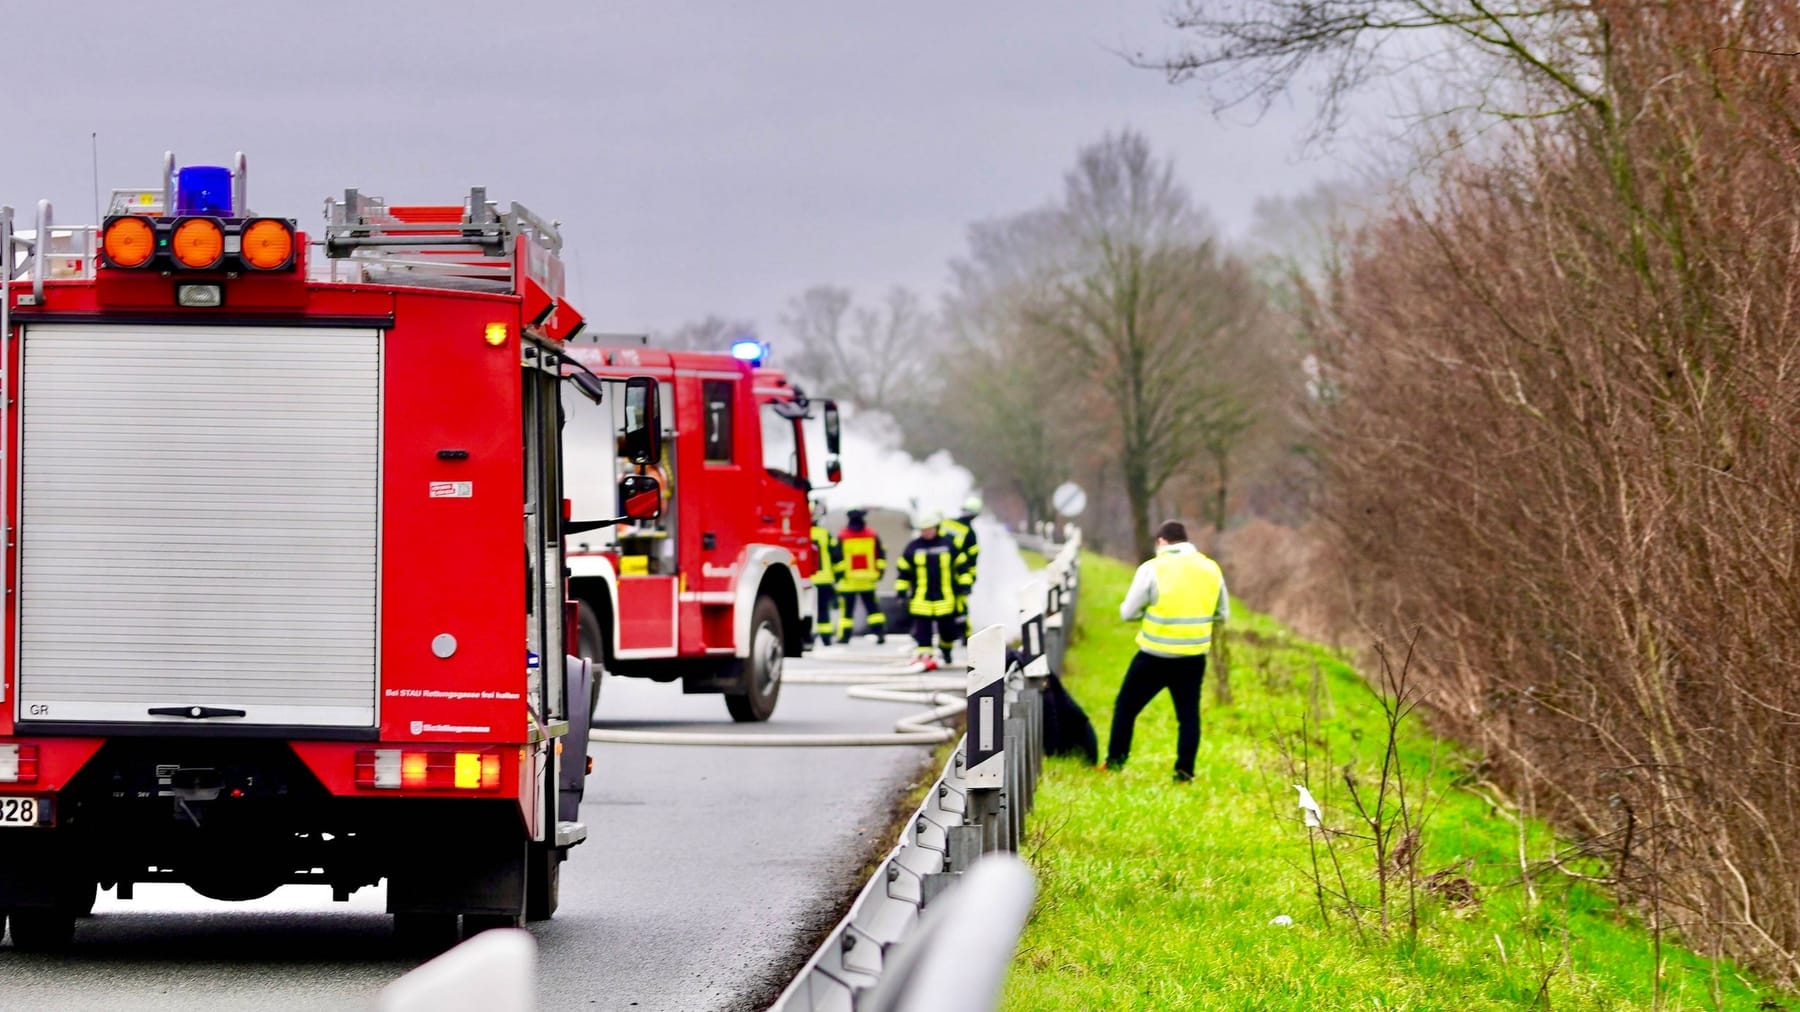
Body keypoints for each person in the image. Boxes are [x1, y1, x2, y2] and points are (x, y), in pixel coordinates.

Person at [1106, 520, 1228, 783]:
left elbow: (1128, 612)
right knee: (1188, 716)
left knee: (1126, 707)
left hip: (1154, 655)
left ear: (1161, 541)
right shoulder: (1211, 568)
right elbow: (1222, 614)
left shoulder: (1152, 568)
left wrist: (1146, 613)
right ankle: (1184, 773)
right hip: (1193, 657)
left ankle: (1115, 761)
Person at [893, 510, 971, 668]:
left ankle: (946, 650)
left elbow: (962, 567)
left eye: (929, 529)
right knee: (922, 633)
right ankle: (925, 659)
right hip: (921, 599)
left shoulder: (948, 545)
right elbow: (903, 572)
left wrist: (965, 584)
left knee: (948, 632)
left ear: (936, 527)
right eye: (923, 530)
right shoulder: (913, 547)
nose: (926, 532)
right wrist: (901, 592)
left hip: (945, 599)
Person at [835, 508, 887, 644]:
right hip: (867, 579)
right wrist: (880, 572)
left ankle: (845, 637)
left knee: (847, 612)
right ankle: (879, 633)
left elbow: (837, 557)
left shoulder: (843, 535)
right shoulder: (872, 534)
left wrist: (839, 575)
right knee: (873, 610)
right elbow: (880, 555)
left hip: (849, 581)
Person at [938, 495, 982, 644]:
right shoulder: (970, 533)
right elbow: (971, 560)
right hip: (957, 574)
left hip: (938, 571)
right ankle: (965, 635)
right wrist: (969, 580)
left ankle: (950, 636)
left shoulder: (946, 522)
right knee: (960, 607)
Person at [808, 501, 842, 646]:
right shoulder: (824, 534)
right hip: (824, 580)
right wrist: (839, 576)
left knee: (808, 611)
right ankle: (826, 638)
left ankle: (808, 637)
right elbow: (836, 556)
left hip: (807, 580)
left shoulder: (801, 533)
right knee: (823, 611)